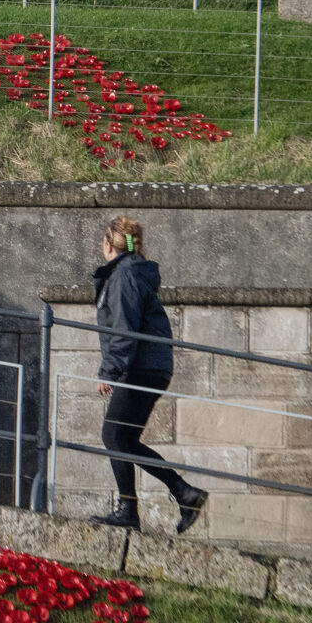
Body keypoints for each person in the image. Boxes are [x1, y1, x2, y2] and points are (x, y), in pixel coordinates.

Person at [88, 216, 209, 533]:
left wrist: (109, 370)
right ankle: (184, 494)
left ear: (108, 243)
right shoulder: (130, 272)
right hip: (150, 366)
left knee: (114, 436)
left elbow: (124, 330)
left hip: (141, 367)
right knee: (124, 438)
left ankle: (130, 510)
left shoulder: (124, 275)